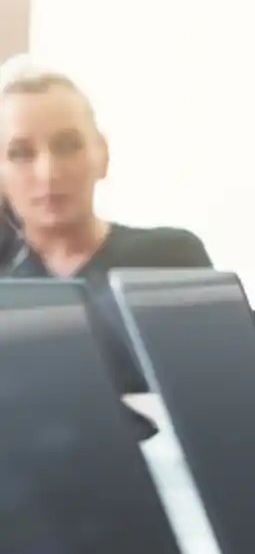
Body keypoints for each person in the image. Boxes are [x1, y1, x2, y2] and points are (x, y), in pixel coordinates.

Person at [0, 57, 211, 395]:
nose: (48, 172)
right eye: (21, 153)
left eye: (68, 146)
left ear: (103, 155)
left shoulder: (171, 261)